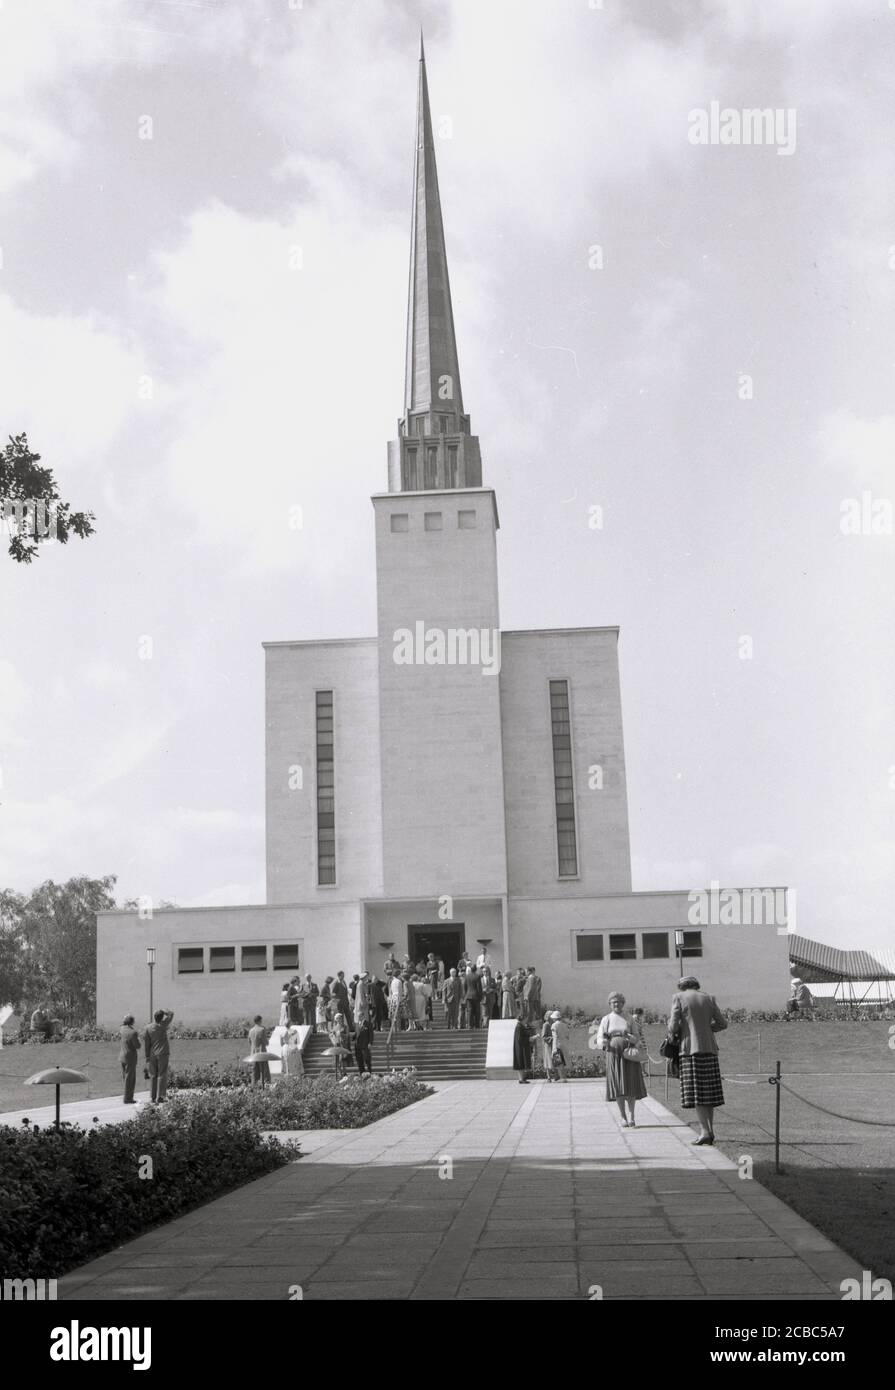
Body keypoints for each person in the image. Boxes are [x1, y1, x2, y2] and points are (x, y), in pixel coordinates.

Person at [667, 976, 727, 1145]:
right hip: (709, 1048)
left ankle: (704, 1132)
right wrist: (707, 1030)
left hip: (690, 1049)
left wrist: (675, 1029)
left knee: (697, 1092)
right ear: (696, 985)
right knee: (708, 1091)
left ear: (681, 987)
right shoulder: (709, 997)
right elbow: (723, 1024)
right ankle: (710, 1130)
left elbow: (673, 1026)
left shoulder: (678, 997)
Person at [596, 992, 646, 1127]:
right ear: (610, 1004)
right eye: (614, 1002)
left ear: (623, 1003)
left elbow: (637, 1038)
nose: (616, 1004)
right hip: (613, 1054)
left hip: (628, 1054)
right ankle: (623, 1117)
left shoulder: (629, 1018)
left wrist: (629, 1037)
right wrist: (604, 1041)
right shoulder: (606, 1019)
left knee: (630, 1085)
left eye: (619, 1002)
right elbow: (600, 1038)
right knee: (618, 1085)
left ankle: (632, 1116)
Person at [143, 1008, 174, 1103]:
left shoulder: (148, 1027)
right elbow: (171, 1014)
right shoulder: (163, 1025)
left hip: (152, 1054)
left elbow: (147, 1043)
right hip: (162, 1053)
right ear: (161, 1018)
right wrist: (164, 1011)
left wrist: (147, 1056)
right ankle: (160, 1096)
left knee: (153, 1075)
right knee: (162, 1074)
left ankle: (152, 1097)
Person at [118, 1014, 141, 1103]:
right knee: (130, 1079)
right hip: (130, 1057)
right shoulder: (133, 1032)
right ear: (132, 1022)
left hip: (122, 1056)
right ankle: (128, 1098)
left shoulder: (122, 1029)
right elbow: (138, 1046)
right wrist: (138, 1039)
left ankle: (127, 1096)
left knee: (126, 1078)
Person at [248, 1015, 271, 1086]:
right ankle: (267, 1085)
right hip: (261, 1053)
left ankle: (254, 1086)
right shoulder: (262, 1030)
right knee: (265, 1071)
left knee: (255, 1072)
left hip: (253, 1053)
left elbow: (249, 1042)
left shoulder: (251, 1030)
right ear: (259, 1021)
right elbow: (266, 1043)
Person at [328, 1013, 351, 1080]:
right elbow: (331, 1035)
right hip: (336, 1045)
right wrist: (332, 1037)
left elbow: (347, 1036)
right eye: (337, 1018)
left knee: (343, 1060)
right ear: (335, 1019)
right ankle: (340, 1073)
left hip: (343, 1045)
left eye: (340, 1018)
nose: (339, 1019)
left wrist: (341, 1035)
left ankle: (344, 1073)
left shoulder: (345, 1026)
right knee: (336, 1061)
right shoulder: (334, 1027)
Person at [550, 1009, 570, 1082]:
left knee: (559, 1061)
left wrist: (554, 1048)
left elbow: (555, 1036)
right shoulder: (564, 1025)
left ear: (555, 1018)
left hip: (557, 1044)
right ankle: (564, 1077)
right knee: (564, 1061)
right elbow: (567, 1036)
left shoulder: (554, 1025)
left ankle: (562, 1078)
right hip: (564, 1044)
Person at [513, 1018, 533, 1083]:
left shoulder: (520, 1026)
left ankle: (522, 1079)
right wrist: (529, 1039)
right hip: (520, 1048)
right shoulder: (519, 1027)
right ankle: (521, 1079)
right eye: (525, 1019)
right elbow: (520, 1039)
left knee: (521, 1063)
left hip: (520, 1047)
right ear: (522, 1020)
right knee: (521, 1063)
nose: (526, 1021)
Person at [463, 965, 482, 1030]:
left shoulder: (467, 976)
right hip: (476, 995)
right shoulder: (477, 976)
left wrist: (466, 994)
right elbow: (479, 987)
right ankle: (477, 1025)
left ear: (470, 969)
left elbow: (464, 986)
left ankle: (469, 1025)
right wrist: (480, 996)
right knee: (477, 1011)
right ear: (476, 969)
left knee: (470, 1011)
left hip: (469, 996)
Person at [541, 1011, 557, 1081]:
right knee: (548, 1060)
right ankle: (549, 1077)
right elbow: (543, 1036)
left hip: (554, 1044)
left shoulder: (553, 1024)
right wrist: (551, 1038)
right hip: (548, 1045)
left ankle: (556, 1076)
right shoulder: (546, 1025)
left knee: (555, 1060)